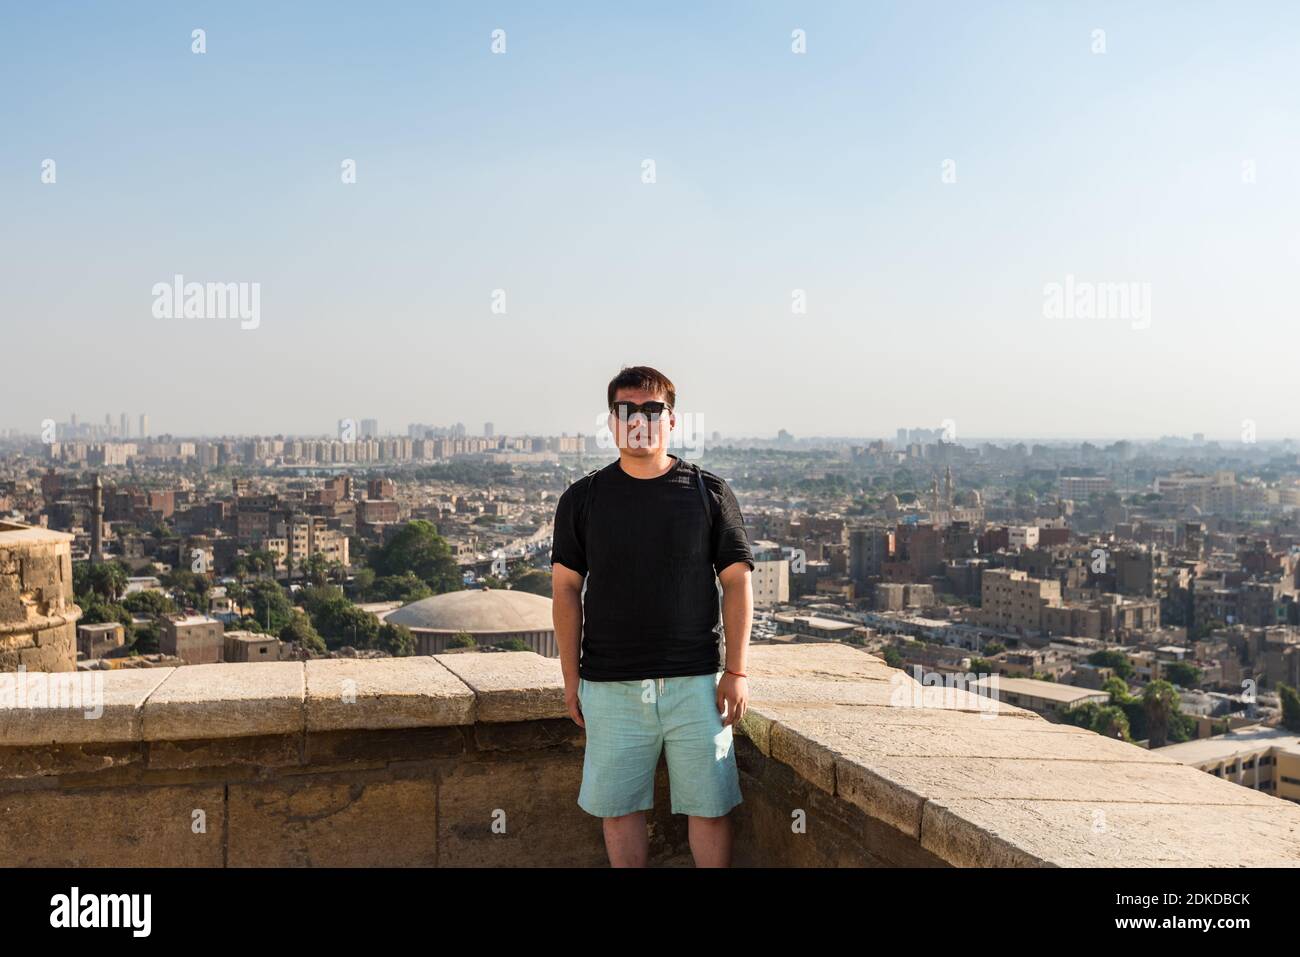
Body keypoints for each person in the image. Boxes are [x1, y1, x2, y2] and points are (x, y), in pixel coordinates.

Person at [550, 365, 755, 867]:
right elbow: (565, 591)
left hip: (697, 684)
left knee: (709, 809)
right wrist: (571, 679)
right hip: (611, 684)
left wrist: (737, 671)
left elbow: (736, 582)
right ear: (611, 422)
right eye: (626, 410)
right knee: (619, 810)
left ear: (672, 420)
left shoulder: (708, 493)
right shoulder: (582, 499)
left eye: (650, 409)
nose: (638, 420)